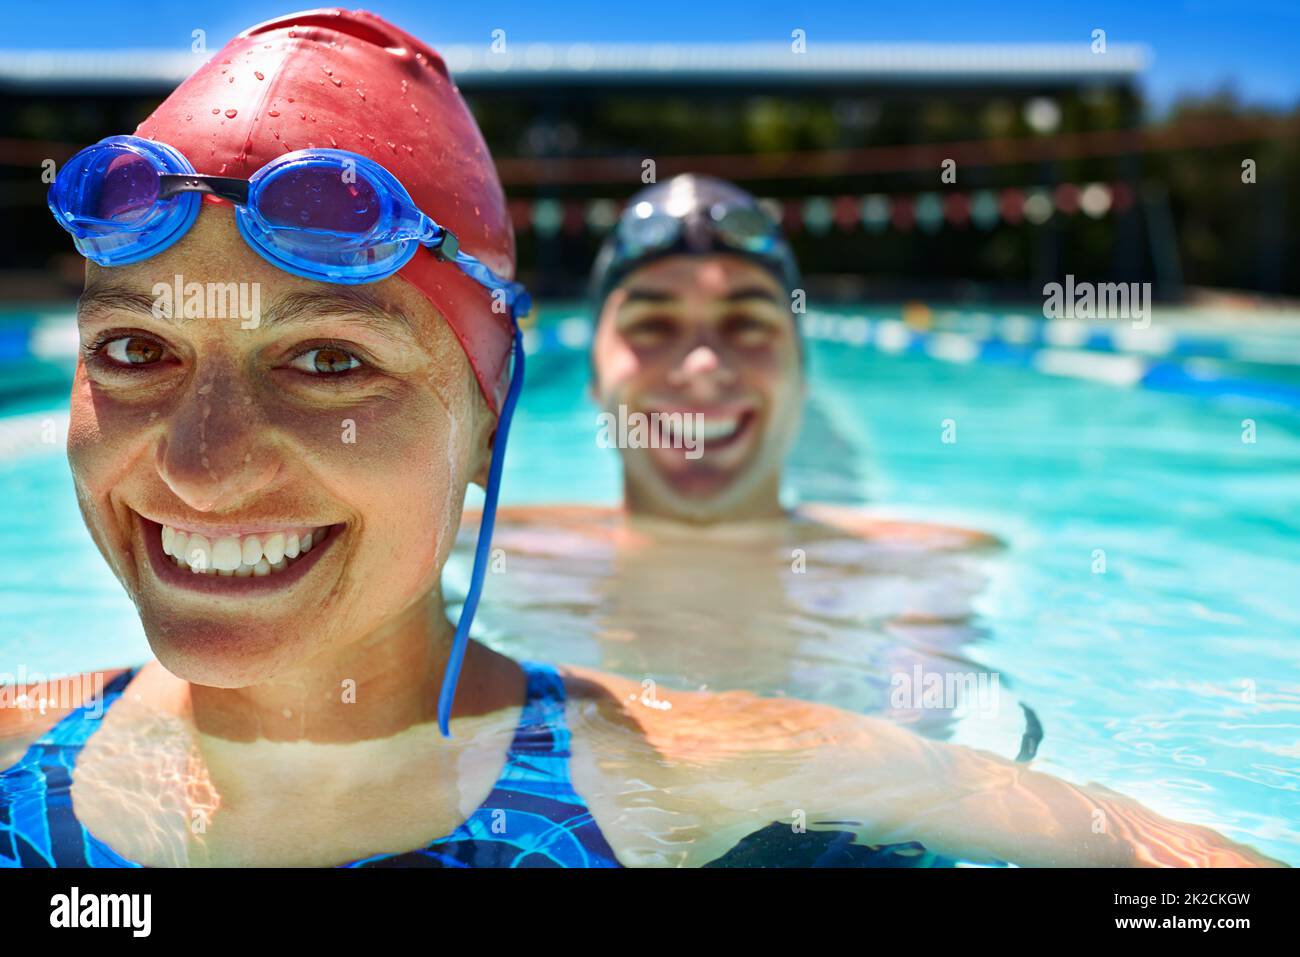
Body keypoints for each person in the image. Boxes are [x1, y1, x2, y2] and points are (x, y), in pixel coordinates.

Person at [0, 10, 1280, 869]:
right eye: (133, 351)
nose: (199, 463)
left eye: (330, 360)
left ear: (491, 428)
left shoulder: (682, 763)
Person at [467, 175, 1016, 742]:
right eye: (653, 325)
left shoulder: (920, 567)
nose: (704, 365)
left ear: (802, 377)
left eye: (748, 323)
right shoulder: (481, 551)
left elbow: (921, 761)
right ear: (594, 381)